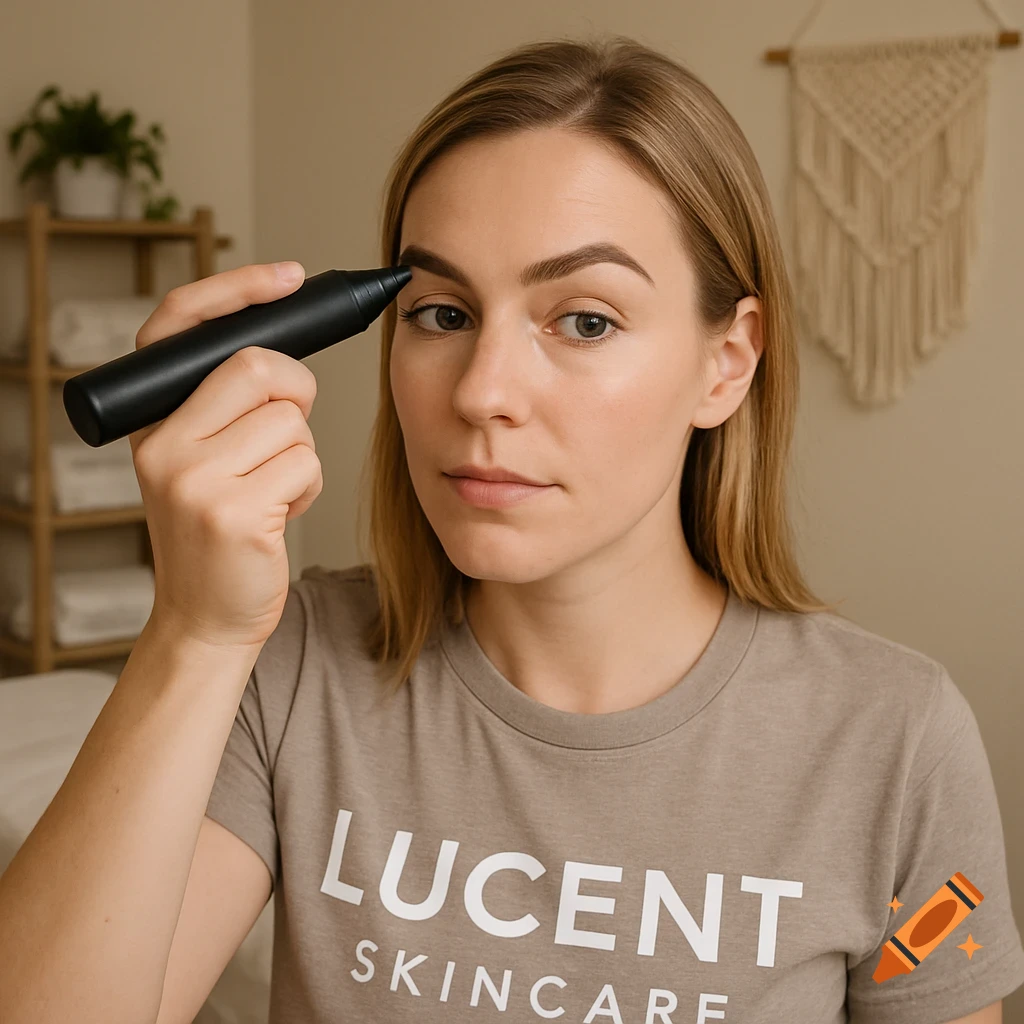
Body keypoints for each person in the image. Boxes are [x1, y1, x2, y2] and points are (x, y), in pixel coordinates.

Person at [0, 34, 1020, 1024]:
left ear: (728, 361)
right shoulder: (289, 667)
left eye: (584, 320)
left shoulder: (894, 738)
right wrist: (194, 630)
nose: (483, 392)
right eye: (441, 312)